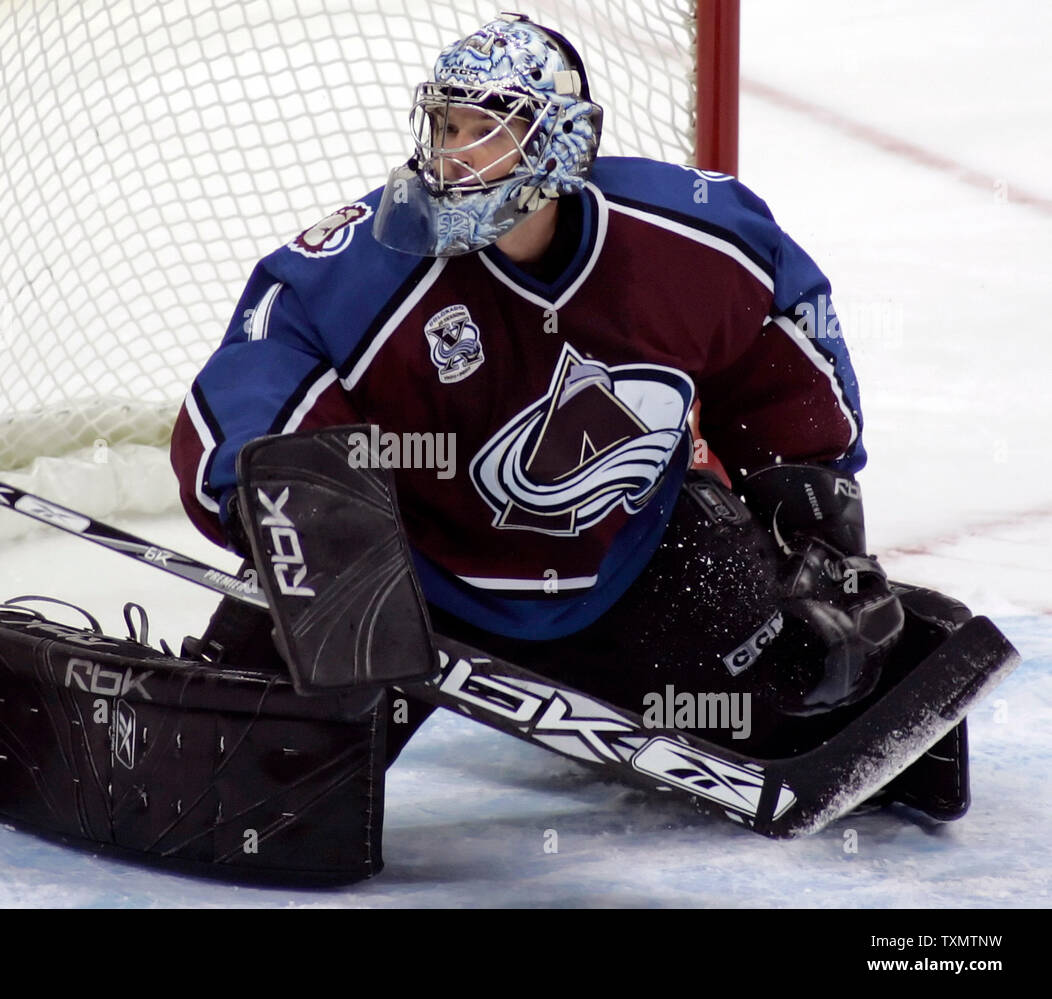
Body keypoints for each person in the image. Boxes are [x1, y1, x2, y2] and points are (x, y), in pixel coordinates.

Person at [171, 15, 968, 815]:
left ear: (559, 145)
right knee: (248, 787)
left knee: (808, 681)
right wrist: (273, 500)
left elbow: (783, 324)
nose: (450, 154)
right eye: (445, 125)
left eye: (484, 131)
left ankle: (682, 677)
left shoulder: (686, 238)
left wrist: (814, 520)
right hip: (413, 591)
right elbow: (259, 364)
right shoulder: (367, 266)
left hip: (631, 563)